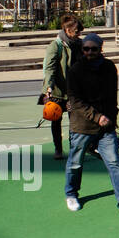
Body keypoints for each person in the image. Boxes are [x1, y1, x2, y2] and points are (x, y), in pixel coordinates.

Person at [65, 34, 119, 213]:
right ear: (82, 50)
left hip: (106, 126)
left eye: (93, 49)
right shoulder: (75, 70)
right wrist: (97, 116)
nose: (89, 52)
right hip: (82, 126)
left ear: (100, 49)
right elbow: (75, 101)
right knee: (76, 163)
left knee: (114, 162)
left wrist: (112, 117)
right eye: (86, 49)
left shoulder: (109, 67)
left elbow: (111, 96)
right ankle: (71, 193)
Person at [42, 14, 82, 160]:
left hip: (73, 91)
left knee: (76, 121)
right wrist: (49, 87)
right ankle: (58, 149)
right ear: (67, 30)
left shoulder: (78, 44)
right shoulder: (56, 45)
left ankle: (75, 149)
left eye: (79, 31)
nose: (79, 34)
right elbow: (50, 68)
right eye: (76, 31)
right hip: (57, 91)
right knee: (56, 121)